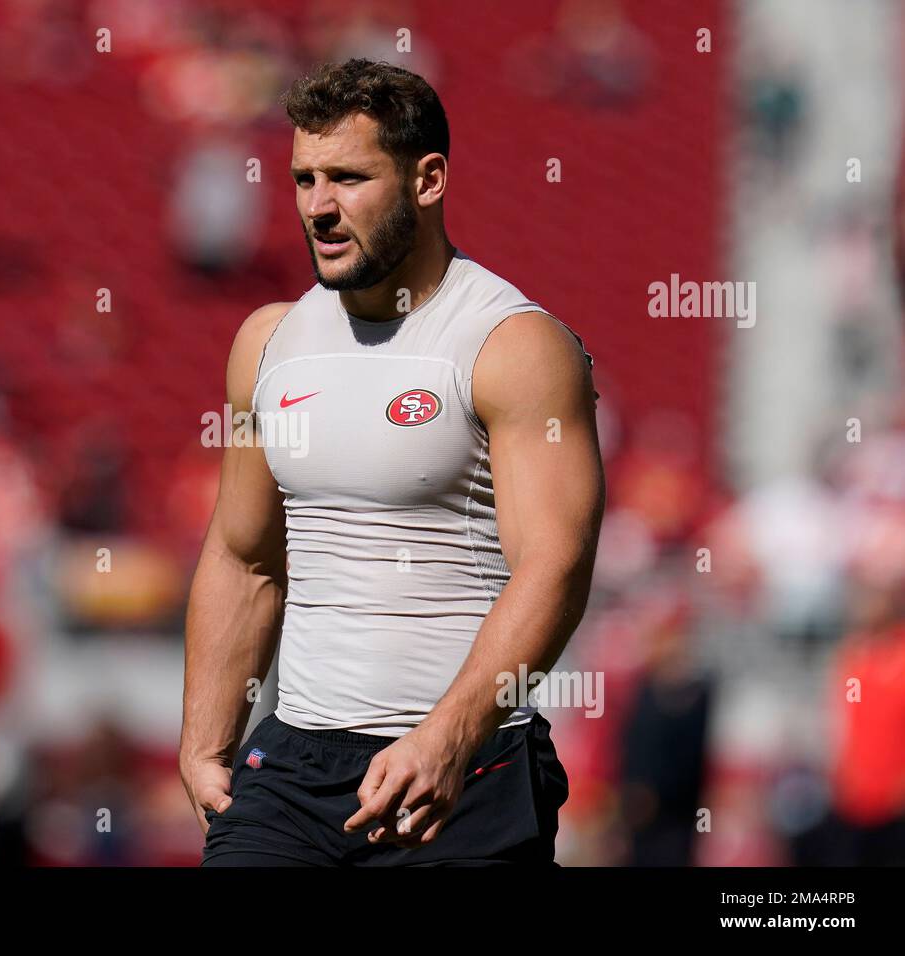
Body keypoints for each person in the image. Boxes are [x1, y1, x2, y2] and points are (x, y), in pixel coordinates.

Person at [179, 58, 605, 865]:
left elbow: (556, 565)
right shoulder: (268, 343)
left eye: (348, 177)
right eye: (304, 179)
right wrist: (206, 736)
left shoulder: (512, 345)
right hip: (293, 772)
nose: (319, 208)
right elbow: (244, 556)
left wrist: (447, 738)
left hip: (467, 770)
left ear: (428, 179)